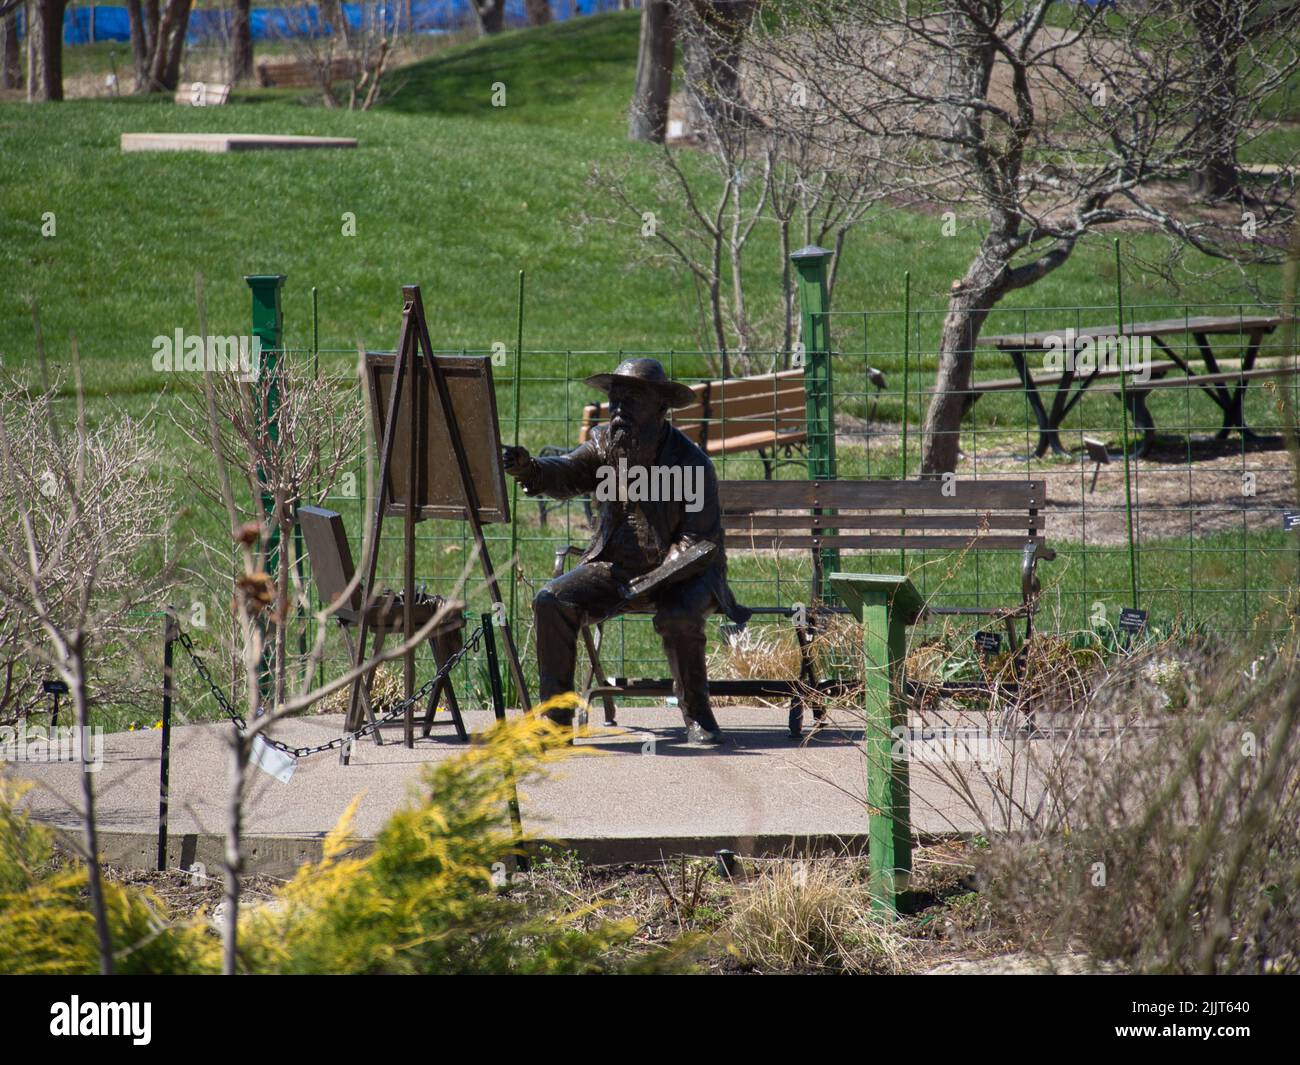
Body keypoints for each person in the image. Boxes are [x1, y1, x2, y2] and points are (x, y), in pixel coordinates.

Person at [502, 358, 750, 745]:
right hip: (617, 569)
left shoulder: (692, 464)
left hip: (688, 574)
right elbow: (568, 471)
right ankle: (554, 724)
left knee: (679, 614)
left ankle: (698, 715)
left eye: (631, 402)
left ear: (660, 409)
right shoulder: (605, 445)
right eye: (615, 402)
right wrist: (530, 469)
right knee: (551, 600)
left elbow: (696, 545)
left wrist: (647, 585)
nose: (618, 412)